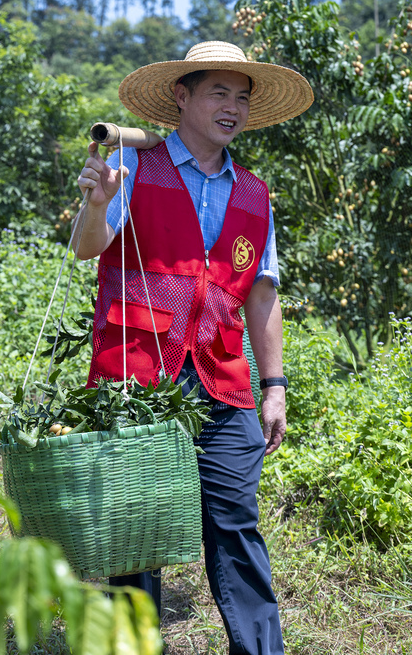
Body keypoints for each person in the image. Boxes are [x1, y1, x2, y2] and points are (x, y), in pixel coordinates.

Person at [71, 41, 313, 655]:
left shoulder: (254, 195)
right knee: (138, 527)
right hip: (139, 372)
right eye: (218, 92)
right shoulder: (134, 164)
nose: (232, 107)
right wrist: (96, 204)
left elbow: (261, 296)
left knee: (236, 520)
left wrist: (275, 386)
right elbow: (86, 246)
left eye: (242, 96)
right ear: (182, 96)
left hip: (221, 375)